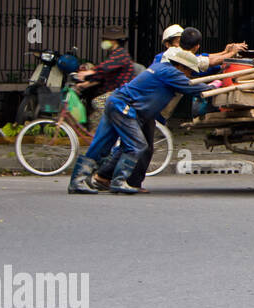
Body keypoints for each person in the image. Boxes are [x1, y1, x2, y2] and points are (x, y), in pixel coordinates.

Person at [90, 26, 245, 192]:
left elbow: (205, 60)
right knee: (136, 145)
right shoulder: (166, 60)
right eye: (176, 42)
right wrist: (217, 79)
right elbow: (196, 74)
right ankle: (109, 178)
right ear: (168, 44)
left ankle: (125, 181)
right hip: (137, 106)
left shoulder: (185, 58)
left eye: (180, 41)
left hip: (145, 107)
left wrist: (224, 54)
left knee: (142, 146)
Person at [68, 45, 207, 195]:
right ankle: (119, 181)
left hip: (116, 102)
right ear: (180, 66)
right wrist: (212, 86)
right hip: (124, 106)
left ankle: (77, 181)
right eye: (189, 71)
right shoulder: (171, 72)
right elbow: (192, 87)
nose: (189, 74)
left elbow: (188, 84)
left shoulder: (161, 67)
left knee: (101, 144)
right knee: (137, 145)